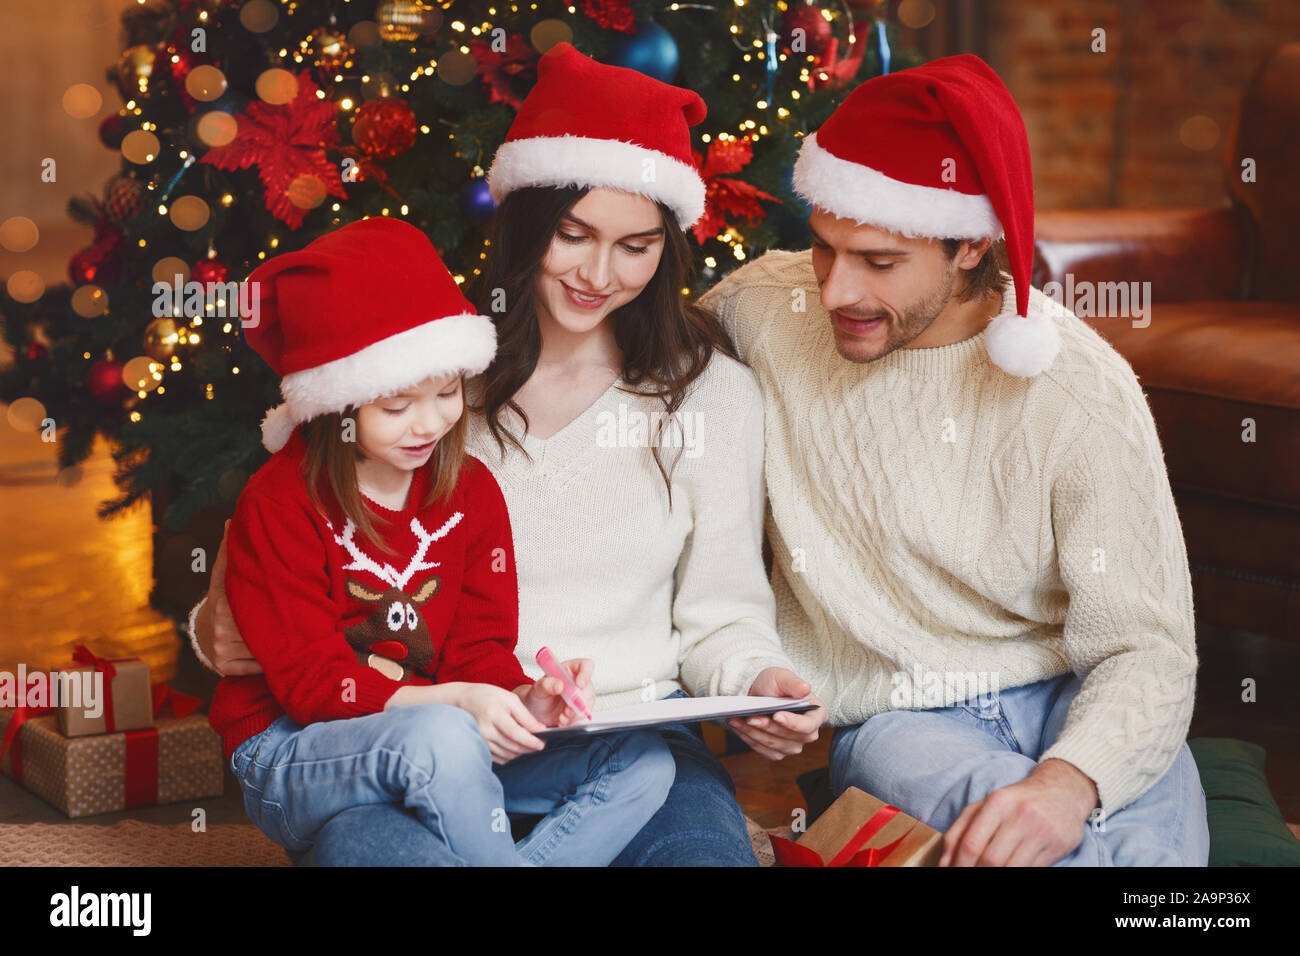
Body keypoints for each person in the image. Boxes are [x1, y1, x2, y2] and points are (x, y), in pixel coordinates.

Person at [191, 43, 826, 867]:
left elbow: (724, 612)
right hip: (417, 735)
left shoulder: (712, 398)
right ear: (528, 218)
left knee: (700, 855)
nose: (600, 273)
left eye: (637, 246)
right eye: (573, 235)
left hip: (617, 737)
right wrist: (216, 627)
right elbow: (288, 543)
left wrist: (759, 680)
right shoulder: (425, 375)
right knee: (378, 853)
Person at [698, 54, 1210, 866]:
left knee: (1122, 828)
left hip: (1072, 700)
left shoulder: (1077, 393)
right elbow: (625, 395)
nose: (833, 292)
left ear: (972, 244)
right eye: (826, 249)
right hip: (901, 725)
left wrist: (1071, 781)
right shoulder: (763, 309)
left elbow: (1145, 649)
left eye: (879, 262)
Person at [209, 215, 675, 866]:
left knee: (642, 764)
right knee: (441, 735)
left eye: (448, 391)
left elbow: (478, 649)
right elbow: (314, 686)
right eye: (396, 407)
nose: (429, 423)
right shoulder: (280, 502)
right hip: (290, 747)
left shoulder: (470, 490)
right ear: (336, 404)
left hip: (437, 737)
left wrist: (522, 699)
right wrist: (453, 705)